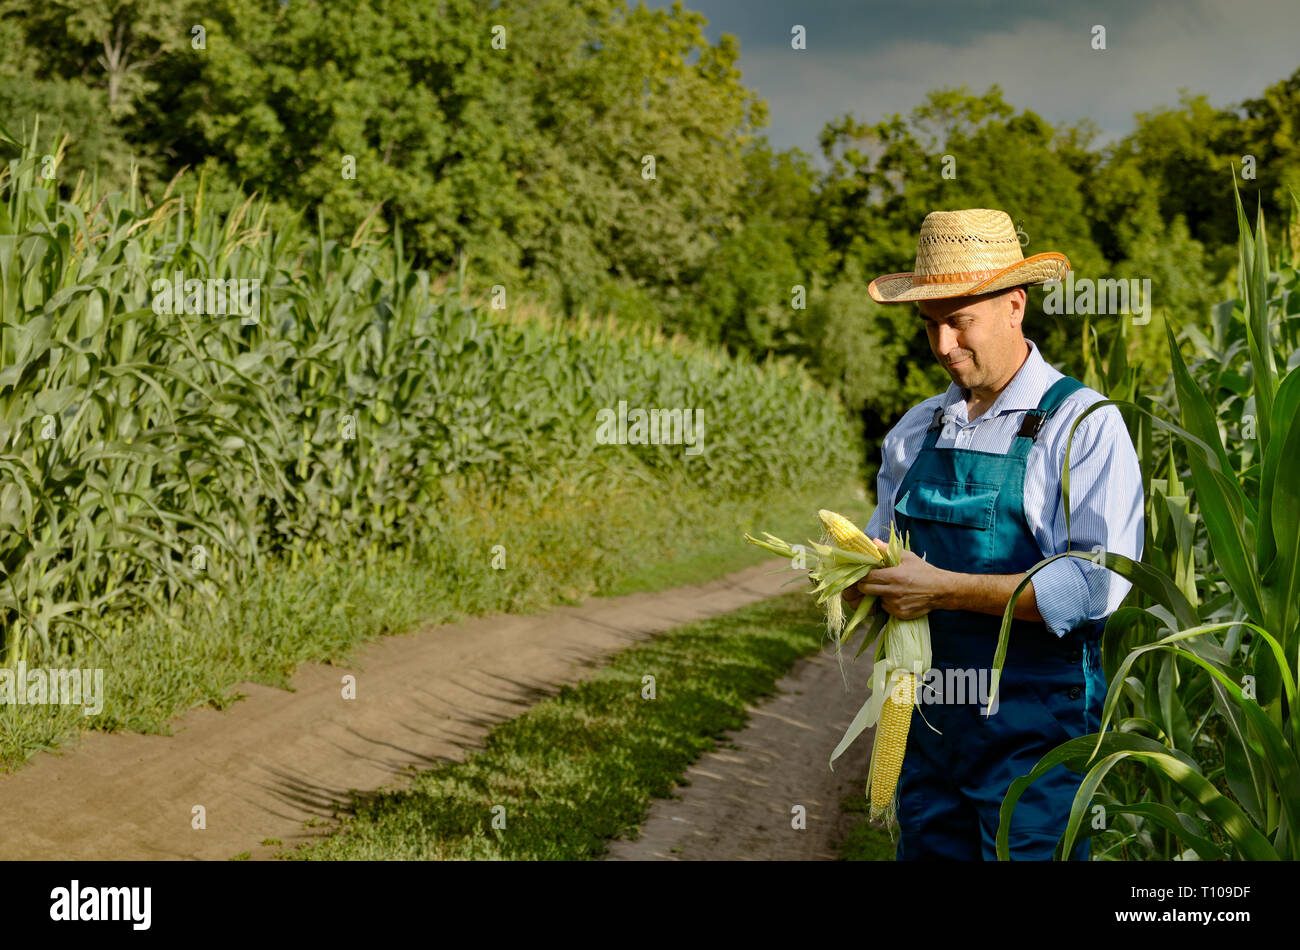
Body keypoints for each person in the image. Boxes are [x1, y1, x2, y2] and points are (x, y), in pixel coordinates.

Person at [843, 208, 1144, 860]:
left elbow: (1094, 588)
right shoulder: (917, 430)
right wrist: (855, 581)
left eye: (959, 322)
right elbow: (878, 547)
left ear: (1015, 305)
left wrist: (942, 589)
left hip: (1034, 750)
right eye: (930, 325)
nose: (942, 345)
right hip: (930, 742)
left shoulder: (1082, 426)